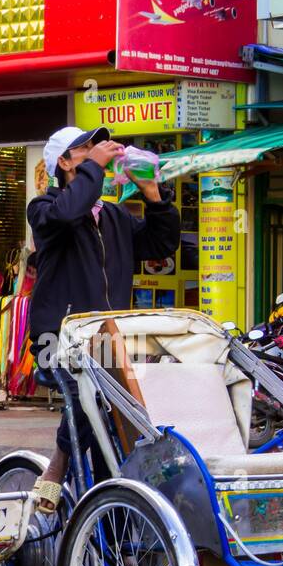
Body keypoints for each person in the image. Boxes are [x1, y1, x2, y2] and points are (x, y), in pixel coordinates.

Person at [27, 125, 181, 510]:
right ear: (63, 163)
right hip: (58, 338)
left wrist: (153, 196)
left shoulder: (113, 215)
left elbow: (161, 244)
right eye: (86, 149)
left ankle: (108, 517)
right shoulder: (45, 209)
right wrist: (96, 167)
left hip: (107, 340)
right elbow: (67, 213)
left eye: (97, 146)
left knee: (116, 424)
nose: (98, 152)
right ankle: (59, 467)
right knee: (90, 393)